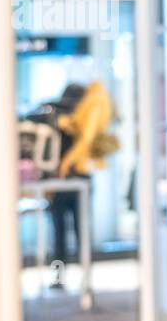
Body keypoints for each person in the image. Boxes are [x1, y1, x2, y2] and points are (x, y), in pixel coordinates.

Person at [47, 81, 117, 288]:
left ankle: (61, 278)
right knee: (81, 232)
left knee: (59, 234)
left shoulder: (58, 118)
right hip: (79, 179)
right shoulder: (84, 119)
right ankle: (85, 278)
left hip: (60, 180)